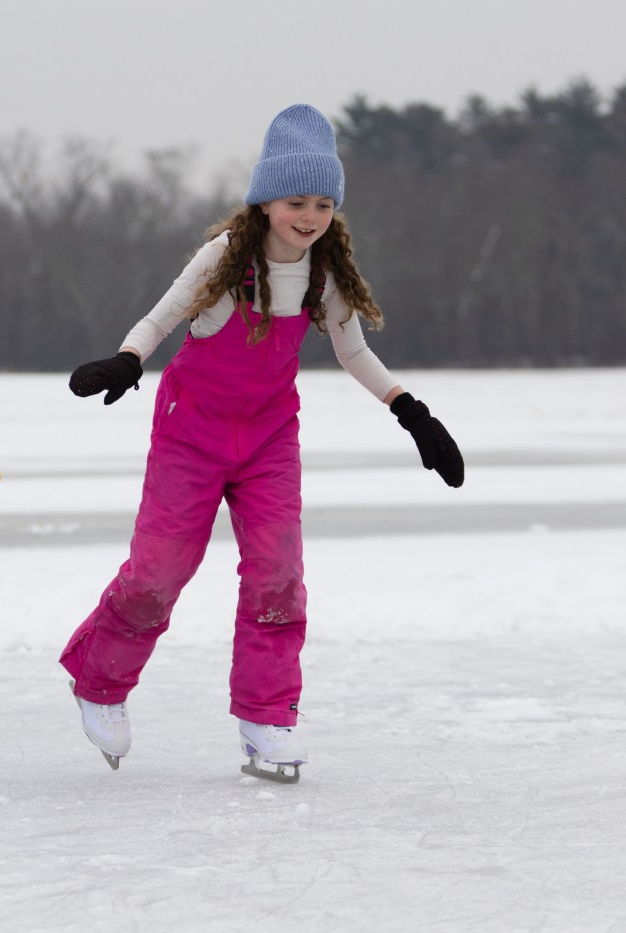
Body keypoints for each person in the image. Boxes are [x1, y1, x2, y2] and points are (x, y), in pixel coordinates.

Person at [60, 105, 463, 782]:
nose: (309, 216)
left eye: (323, 203)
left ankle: (267, 714)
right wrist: (128, 359)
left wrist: (412, 413)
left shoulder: (322, 275)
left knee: (279, 576)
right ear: (266, 200)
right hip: (191, 433)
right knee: (157, 573)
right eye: (296, 200)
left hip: (269, 439)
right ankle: (99, 680)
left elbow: (354, 352)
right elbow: (163, 315)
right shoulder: (225, 258)